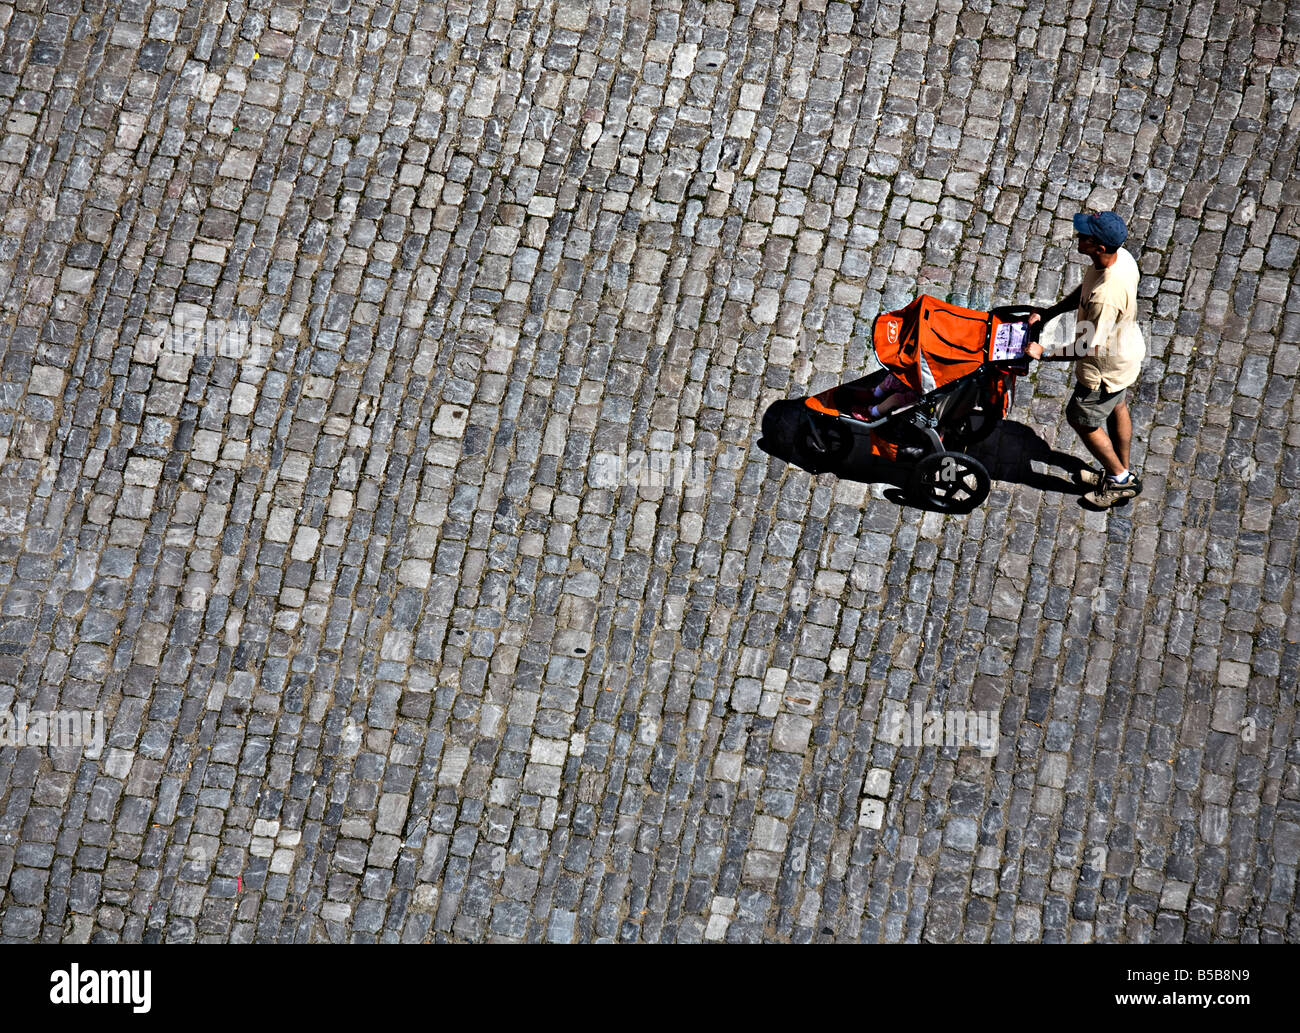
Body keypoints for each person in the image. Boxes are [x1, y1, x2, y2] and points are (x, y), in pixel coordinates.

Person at [1026, 210, 1145, 507]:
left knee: (1081, 420)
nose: (1079, 237)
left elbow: (1083, 348)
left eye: (1086, 236)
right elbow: (1085, 290)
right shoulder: (1120, 259)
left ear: (1099, 247)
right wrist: (1051, 312)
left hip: (1103, 370)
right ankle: (1120, 470)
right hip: (1124, 355)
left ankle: (1120, 480)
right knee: (1118, 404)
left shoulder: (1106, 298)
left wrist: (1044, 354)